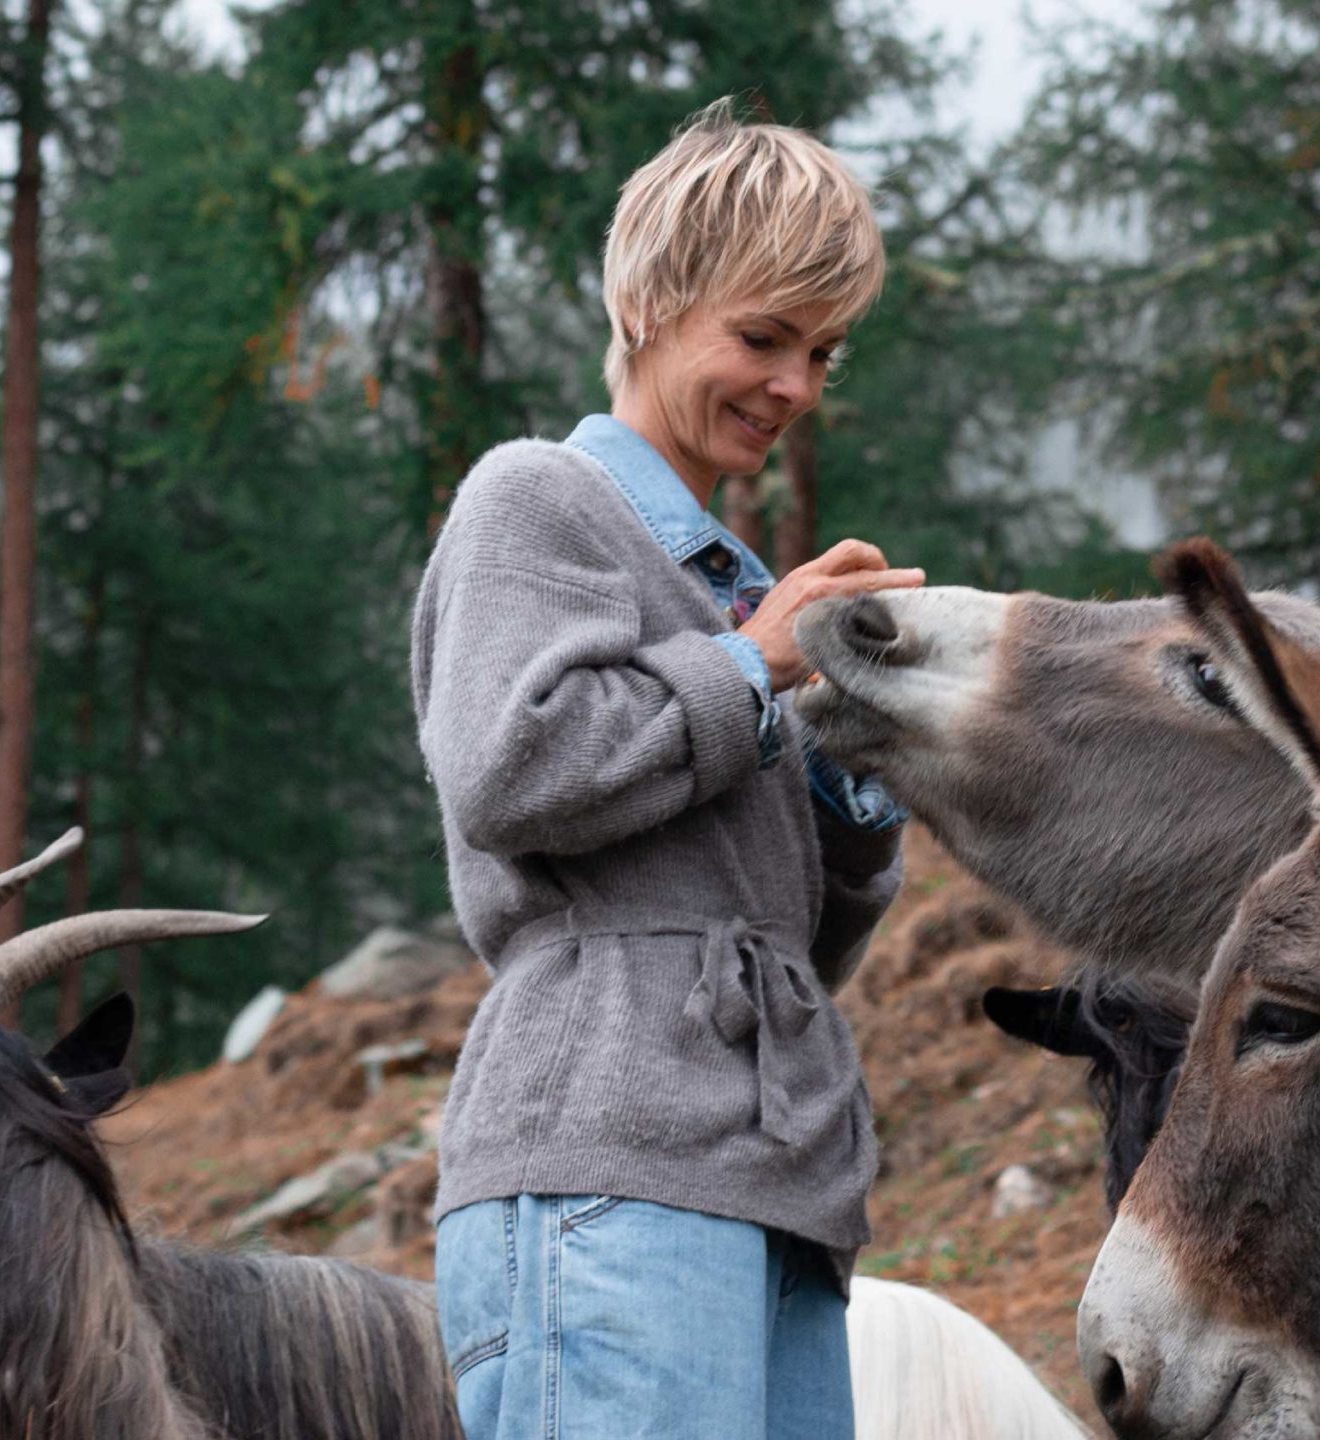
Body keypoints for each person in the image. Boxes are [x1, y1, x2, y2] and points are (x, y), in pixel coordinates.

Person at [411, 104, 919, 1440]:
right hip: (607, 1166)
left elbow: (796, 943)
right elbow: (509, 768)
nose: (798, 385)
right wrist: (753, 668)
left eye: (823, 351)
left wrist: (864, 759)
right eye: (763, 337)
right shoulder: (537, 498)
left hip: (774, 1188)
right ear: (646, 301)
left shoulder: (735, 593)